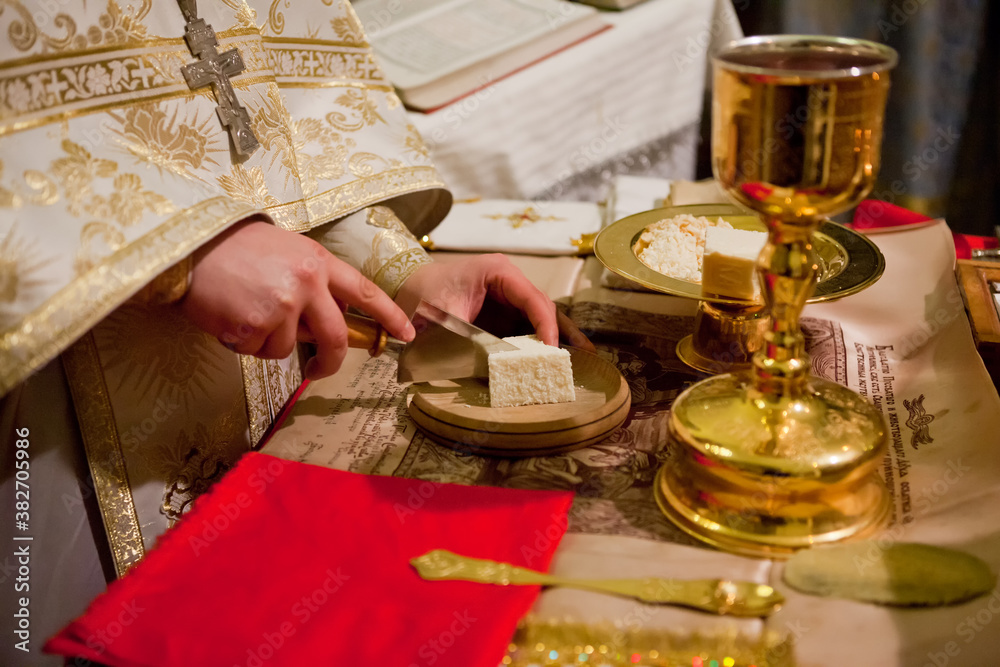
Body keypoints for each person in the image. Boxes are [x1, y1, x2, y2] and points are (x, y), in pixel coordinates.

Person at [0, 1, 590, 661]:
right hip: (51, 419)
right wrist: (177, 255)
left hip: (272, 390)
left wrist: (398, 270)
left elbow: (283, 119)